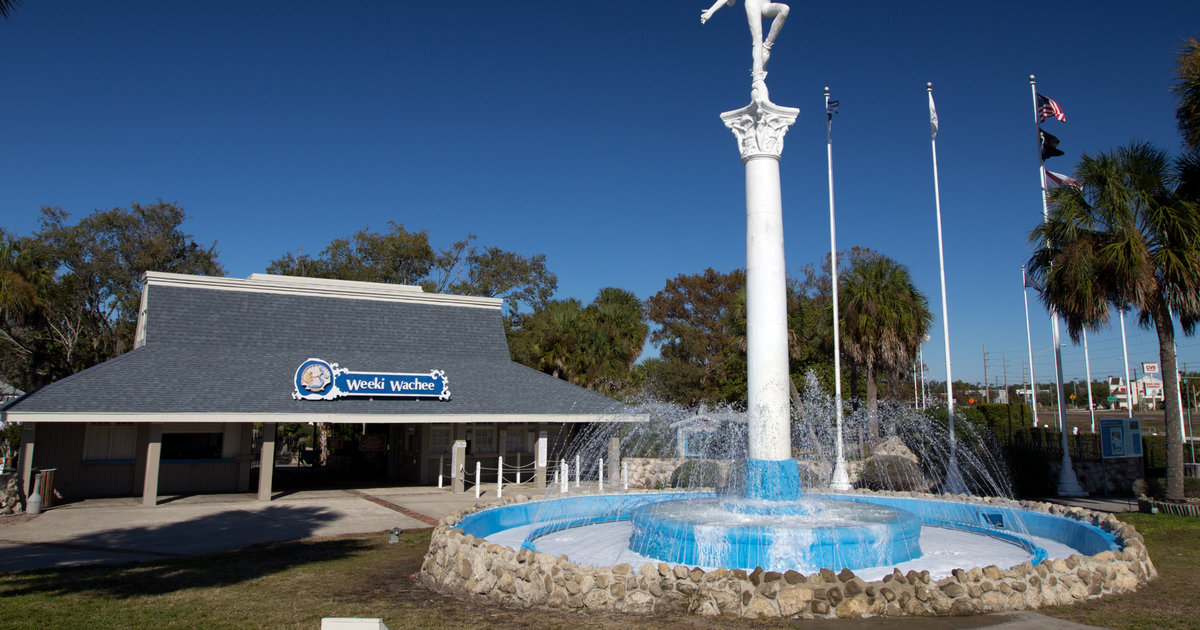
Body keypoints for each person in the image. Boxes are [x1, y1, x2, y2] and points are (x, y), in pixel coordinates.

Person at [700, 0, 790, 80]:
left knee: (784, 9)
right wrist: (711, 11)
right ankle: (757, 76)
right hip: (753, 3)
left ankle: (767, 46)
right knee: (758, 38)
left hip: (766, 4)